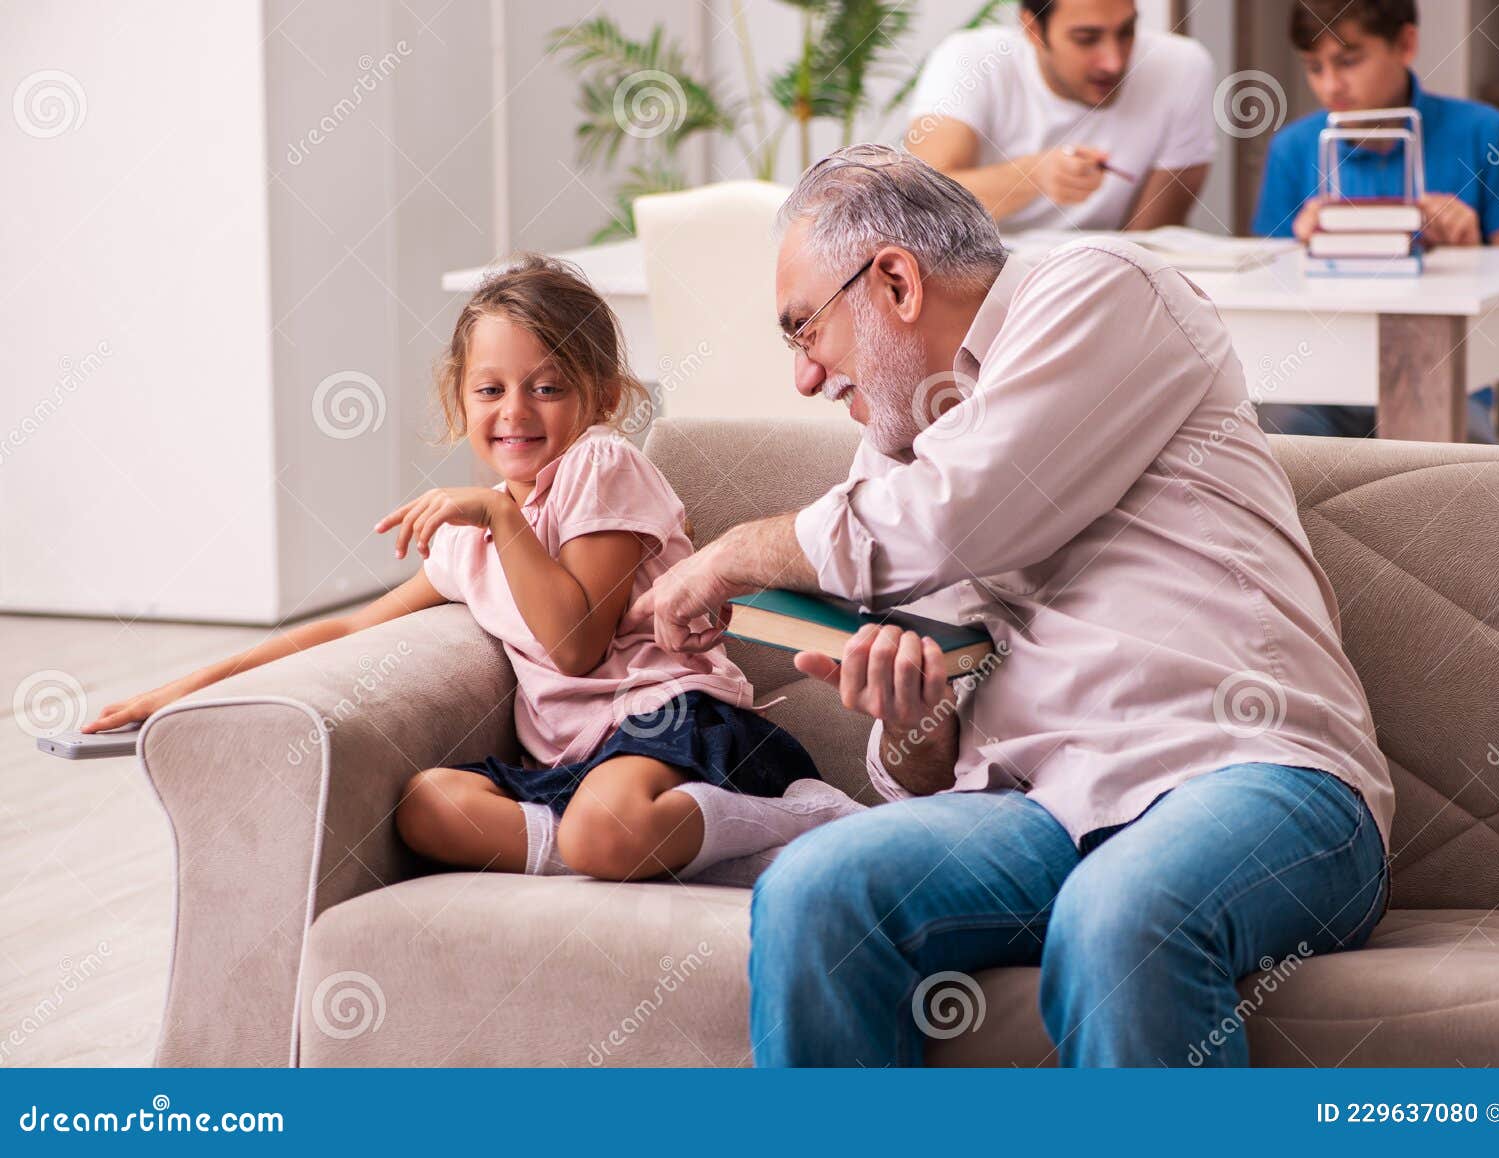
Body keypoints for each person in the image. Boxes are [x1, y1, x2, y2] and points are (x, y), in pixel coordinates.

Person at [629, 145, 1394, 1067]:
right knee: (815, 888)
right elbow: (920, 759)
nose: (806, 376)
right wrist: (916, 721)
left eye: (805, 331)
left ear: (897, 283)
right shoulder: (896, 452)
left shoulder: (1103, 291)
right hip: (1040, 816)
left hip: (1250, 774)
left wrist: (733, 554)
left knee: (1122, 915)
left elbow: (961, 514)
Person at [85, 254, 859, 884]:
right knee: (427, 805)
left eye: (547, 387)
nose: (515, 410)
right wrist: (189, 688)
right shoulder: (471, 539)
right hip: (583, 765)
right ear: (459, 401)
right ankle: (631, 851)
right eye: (490, 389)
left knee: (601, 822)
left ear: (603, 397)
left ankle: (807, 824)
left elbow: (575, 644)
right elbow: (351, 625)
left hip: (677, 725)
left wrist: (499, 516)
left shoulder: (600, 464)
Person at [1252, 0, 1499, 440]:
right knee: (1271, 442)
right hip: (1321, 382)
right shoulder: (1294, 149)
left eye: (1349, 61)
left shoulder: (1483, 132)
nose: (1331, 85)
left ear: (1405, 43)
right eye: (1314, 67)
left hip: (1444, 376)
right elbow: (1264, 290)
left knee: (1458, 463)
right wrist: (1298, 251)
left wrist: (1473, 256)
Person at [904, 0, 1214, 233]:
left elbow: (1149, 246)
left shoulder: (1182, 66)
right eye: (1086, 38)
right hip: (985, 285)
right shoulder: (971, 61)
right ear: (1033, 30)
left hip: (1109, 281)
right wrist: (1033, 176)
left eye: (1126, 32)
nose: (1113, 61)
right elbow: (919, 206)